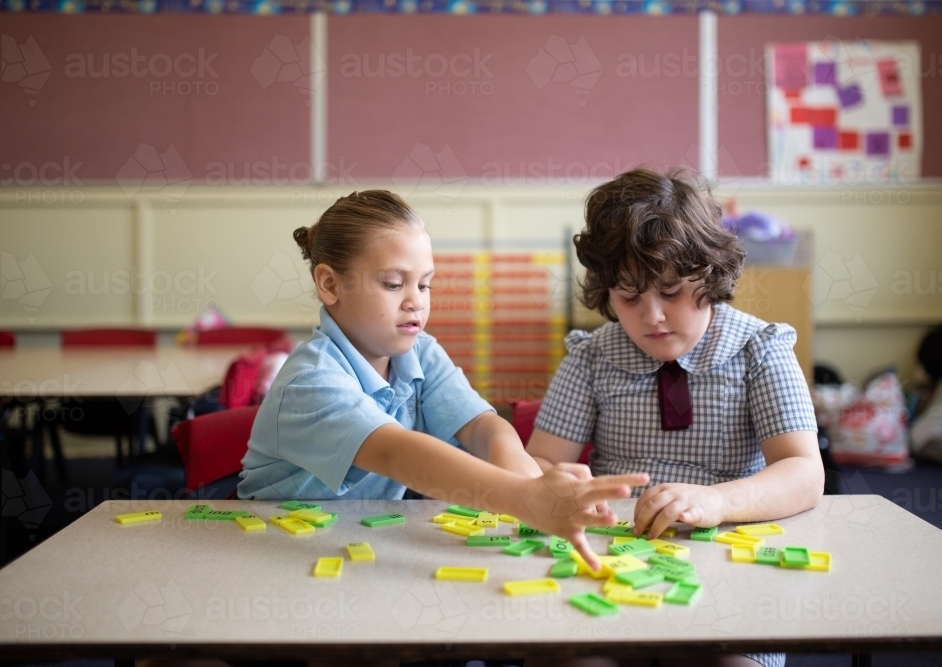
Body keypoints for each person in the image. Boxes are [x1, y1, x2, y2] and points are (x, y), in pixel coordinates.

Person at [238, 189, 647, 575]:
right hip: (275, 552)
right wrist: (525, 499)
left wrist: (537, 488)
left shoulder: (421, 351)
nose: (415, 300)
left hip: (359, 542)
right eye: (394, 284)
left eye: (425, 283)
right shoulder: (311, 381)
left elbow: (484, 427)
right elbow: (397, 454)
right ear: (330, 284)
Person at [525, 168, 824, 667]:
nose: (652, 316)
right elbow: (537, 464)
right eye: (629, 297)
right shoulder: (592, 357)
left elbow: (804, 473)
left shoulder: (760, 350)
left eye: (669, 292)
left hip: (730, 571)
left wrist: (715, 501)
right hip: (613, 569)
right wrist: (554, 481)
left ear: (709, 275)